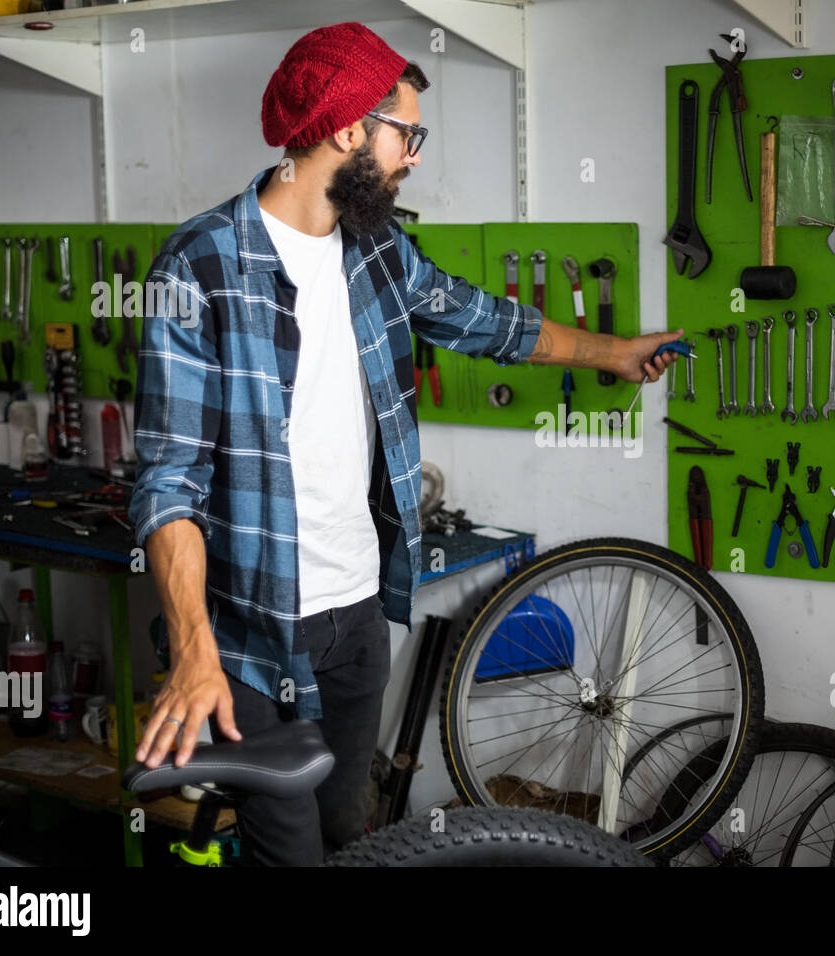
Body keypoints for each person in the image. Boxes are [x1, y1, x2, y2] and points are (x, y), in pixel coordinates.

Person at [127, 22, 681, 865]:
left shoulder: (373, 249)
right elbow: (167, 479)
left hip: (358, 612)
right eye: (407, 135)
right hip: (250, 630)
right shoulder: (197, 266)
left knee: (353, 838)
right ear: (349, 129)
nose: (415, 155)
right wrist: (195, 647)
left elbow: (486, 322)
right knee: (292, 852)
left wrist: (615, 352)